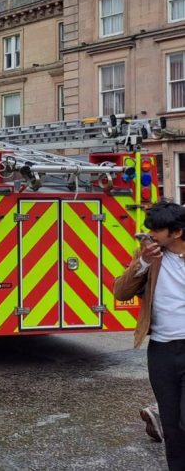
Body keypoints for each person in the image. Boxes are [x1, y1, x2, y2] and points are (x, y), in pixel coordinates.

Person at [115, 200, 185, 469]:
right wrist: (143, 262)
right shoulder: (148, 256)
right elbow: (120, 292)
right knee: (171, 424)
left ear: (176, 232)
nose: (149, 235)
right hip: (162, 351)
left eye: (156, 230)